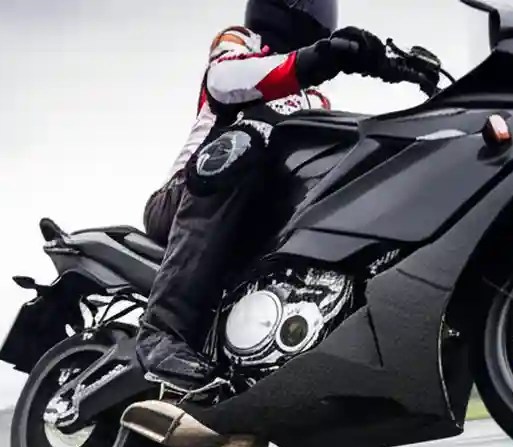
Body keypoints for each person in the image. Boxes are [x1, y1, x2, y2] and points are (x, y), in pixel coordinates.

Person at [135, 0, 394, 398]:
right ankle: (162, 333)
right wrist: (321, 57)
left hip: (252, 214)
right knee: (249, 138)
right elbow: (224, 79)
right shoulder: (240, 43)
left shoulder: (316, 100)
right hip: (186, 196)